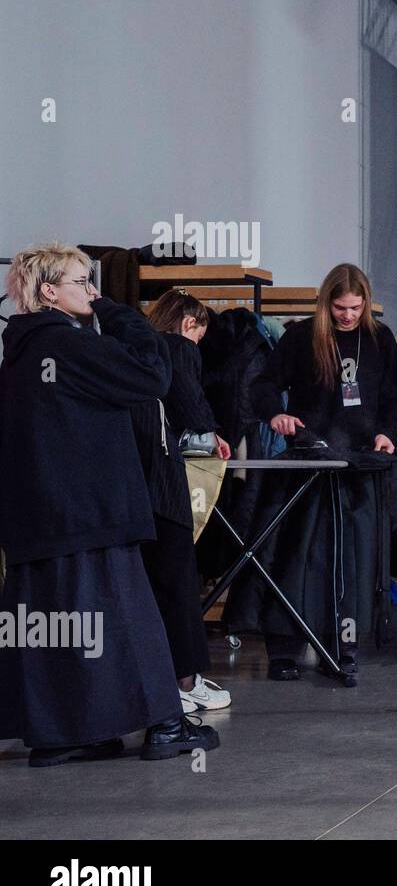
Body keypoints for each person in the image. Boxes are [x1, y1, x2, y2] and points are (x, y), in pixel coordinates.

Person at [0, 243, 219, 765]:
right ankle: (165, 726)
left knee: (56, 630)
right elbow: (152, 375)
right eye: (81, 282)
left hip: (40, 522)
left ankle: (65, 733)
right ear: (50, 291)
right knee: (128, 621)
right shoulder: (67, 345)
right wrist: (118, 312)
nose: (91, 291)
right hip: (92, 514)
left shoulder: (20, 353)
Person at [242, 263, 397, 683]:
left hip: (358, 466)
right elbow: (261, 384)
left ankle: (343, 646)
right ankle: (283, 649)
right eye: (339, 308)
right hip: (310, 460)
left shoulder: (379, 340)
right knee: (297, 558)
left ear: (366, 302)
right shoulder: (301, 338)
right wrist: (276, 414)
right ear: (326, 303)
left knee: (351, 561)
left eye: (355, 307)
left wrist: (387, 434)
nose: (348, 316)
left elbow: (394, 396)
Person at [131, 288, 233, 713]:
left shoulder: (132, 347)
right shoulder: (178, 348)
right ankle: (185, 682)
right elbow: (192, 407)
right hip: (164, 484)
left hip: (131, 486)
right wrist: (211, 433)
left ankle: (158, 681)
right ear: (189, 324)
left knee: (150, 589)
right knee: (179, 585)